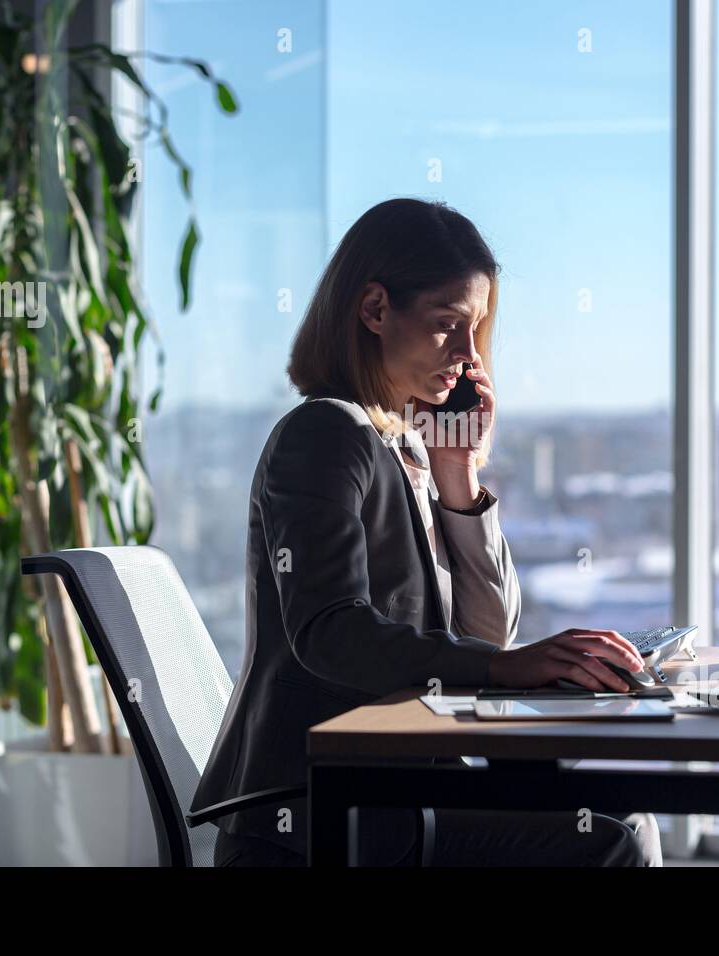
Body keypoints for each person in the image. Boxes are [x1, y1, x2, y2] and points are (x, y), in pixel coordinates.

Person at [192, 197, 662, 867]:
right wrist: (505, 667)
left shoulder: (403, 446)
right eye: (448, 325)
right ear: (375, 310)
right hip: (317, 815)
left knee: (621, 819)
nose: (469, 355)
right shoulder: (327, 434)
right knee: (611, 840)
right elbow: (328, 631)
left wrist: (457, 476)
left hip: (392, 790)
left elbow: (484, 633)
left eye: (476, 329)